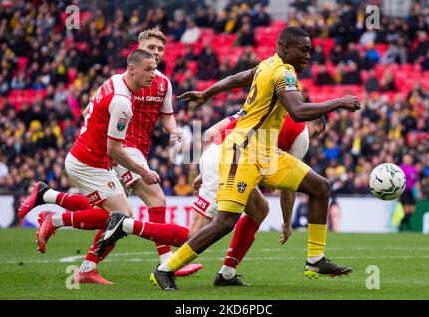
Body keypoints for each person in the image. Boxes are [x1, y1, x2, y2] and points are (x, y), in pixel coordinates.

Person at [138, 26, 360, 290]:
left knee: (320, 186)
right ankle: (165, 269)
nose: (308, 56)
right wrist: (339, 101)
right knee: (224, 222)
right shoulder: (282, 72)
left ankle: (315, 259)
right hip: (242, 153)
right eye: (304, 50)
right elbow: (298, 112)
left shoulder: (268, 65)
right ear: (285, 47)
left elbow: (238, 77)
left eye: (310, 51)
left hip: (266, 151)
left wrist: (207, 93)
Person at [18, 50, 190, 284]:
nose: (153, 75)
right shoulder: (123, 103)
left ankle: (47, 198)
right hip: (88, 163)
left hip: (88, 158)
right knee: (121, 217)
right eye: (148, 69)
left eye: (155, 68)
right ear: (132, 68)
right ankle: (54, 219)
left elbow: (89, 112)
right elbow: (114, 150)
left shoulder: (114, 80)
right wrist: (145, 172)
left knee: (112, 215)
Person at [184, 109, 323, 286]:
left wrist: (205, 166)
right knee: (200, 227)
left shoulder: (258, 104)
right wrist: (287, 223)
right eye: (316, 132)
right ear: (309, 121)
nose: (314, 138)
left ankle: (227, 273)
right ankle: (161, 260)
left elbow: (212, 132)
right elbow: (289, 187)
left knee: (259, 209)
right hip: (228, 160)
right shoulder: (300, 131)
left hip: (225, 157)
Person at [111, 28, 202, 277]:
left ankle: (53, 213)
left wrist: (174, 132)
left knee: (113, 213)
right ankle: (167, 264)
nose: (157, 52)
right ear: (139, 47)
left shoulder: (164, 83)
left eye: (160, 49)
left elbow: (167, 117)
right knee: (157, 200)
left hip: (139, 149)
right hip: (120, 148)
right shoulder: (121, 82)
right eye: (151, 47)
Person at [399, 154, 421, 231]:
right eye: (406, 159)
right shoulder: (400, 168)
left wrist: (419, 191)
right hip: (403, 191)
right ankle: (409, 227)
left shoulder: (413, 169)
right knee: (406, 210)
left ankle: (401, 223)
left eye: (408, 159)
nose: (407, 160)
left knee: (412, 210)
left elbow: (416, 181)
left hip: (411, 191)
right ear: (404, 160)